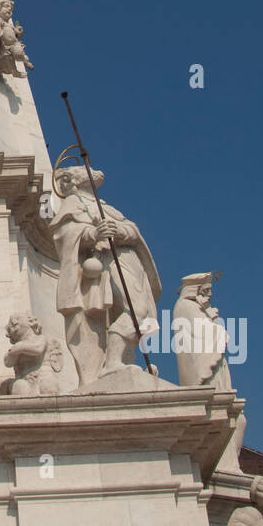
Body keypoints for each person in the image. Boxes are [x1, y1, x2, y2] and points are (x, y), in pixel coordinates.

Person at [51, 165, 161, 386]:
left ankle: (117, 359)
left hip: (128, 260)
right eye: (85, 168)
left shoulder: (103, 206)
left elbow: (132, 230)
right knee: (138, 311)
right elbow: (64, 235)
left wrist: (120, 231)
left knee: (146, 314)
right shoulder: (72, 204)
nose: (92, 169)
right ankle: (111, 362)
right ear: (73, 180)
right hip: (106, 261)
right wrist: (93, 233)